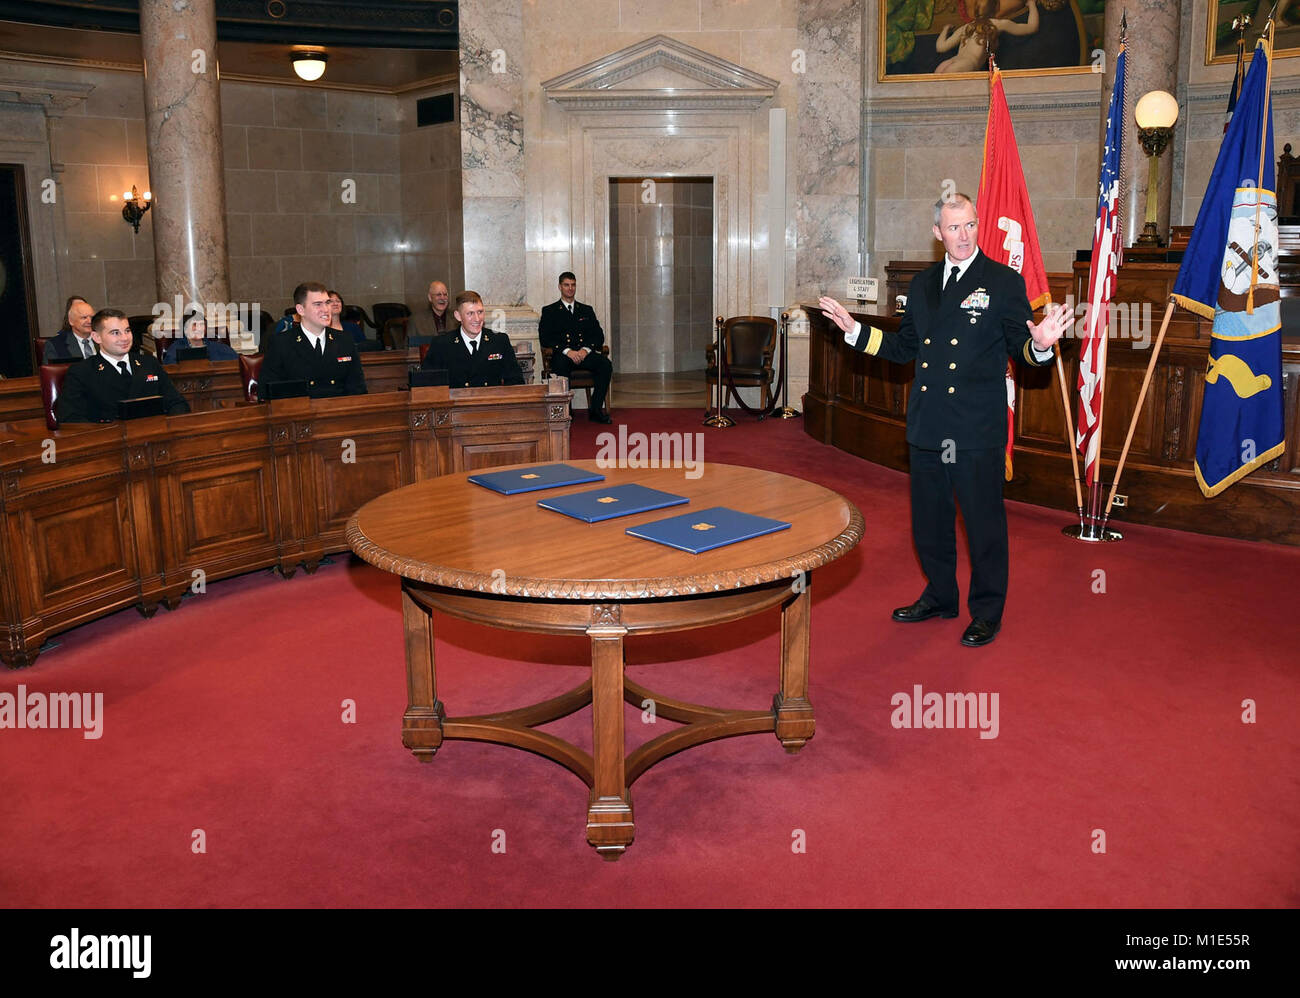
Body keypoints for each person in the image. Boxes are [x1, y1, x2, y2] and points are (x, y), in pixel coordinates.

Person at [819, 192, 1068, 647]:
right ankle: (939, 595)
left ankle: (987, 610)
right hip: (930, 423)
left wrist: (1043, 345)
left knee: (982, 524)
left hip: (975, 427)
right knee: (930, 522)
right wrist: (854, 332)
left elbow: (1022, 348)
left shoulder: (1002, 281)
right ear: (938, 233)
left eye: (970, 225)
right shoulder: (924, 284)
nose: (964, 235)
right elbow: (904, 348)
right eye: (953, 228)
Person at [57, 309, 190, 423]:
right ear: (97, 337)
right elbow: (70, 418)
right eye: (115, 333)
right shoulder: (82, 372)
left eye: (127, 331)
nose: (125, 338)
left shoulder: (149, 363)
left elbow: (177, 403)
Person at [259, 281, 367, 399]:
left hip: (339, 411)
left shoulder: (344, 340)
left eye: (327, 303)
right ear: (301, 310)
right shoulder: (281, 343)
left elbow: (358, 388)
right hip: (300, 413)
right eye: (318, 304)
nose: (326, 309)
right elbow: (269, 392)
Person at [538, 271, 612, 423]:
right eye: (566, 285)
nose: (570, 288)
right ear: (560, 287)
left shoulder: (586, 310)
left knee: (605, 364)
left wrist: (585, 350)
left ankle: (596, 409)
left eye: (573, 285)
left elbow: (598, 336)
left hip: (584, 354)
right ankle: (567, 411)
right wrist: (567, 351)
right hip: (563, 355)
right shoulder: (550, 311)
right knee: (560, 367)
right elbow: (545, 338)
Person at [420, 290, 523, 387]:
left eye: (480, 312)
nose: (477, 319)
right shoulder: (442, 344)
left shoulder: (499, 341)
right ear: (458, 316)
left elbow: (516, 381)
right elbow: (428, 386)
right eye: (470, 313)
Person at [934, 0, 1039, 75]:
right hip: (966, 65)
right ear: (995, 8)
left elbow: (940, 47)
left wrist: (945, 29)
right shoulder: (998, 24)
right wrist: (1032, 4)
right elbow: (1031, 27)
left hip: (948, 62)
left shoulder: (966, 27)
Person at [162, 307, 239, 363]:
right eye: (194, 324)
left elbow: (238, 363)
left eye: (202, 324)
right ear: (185, 329)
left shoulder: (220, 348)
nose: (199, 328)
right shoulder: (175, 350)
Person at [42, 296, 97, 362]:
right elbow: (51, 371)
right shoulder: (55, 345)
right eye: (84, 317)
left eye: (92, 317)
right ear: (71, 321)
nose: (90, 321)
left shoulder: (104, 340)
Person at [407, 280, 458, 345]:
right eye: (438, 294)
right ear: (430, 297)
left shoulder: (457, 318)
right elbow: (409, 349)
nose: (442, 298)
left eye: (445, 295)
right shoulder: (416, 320)